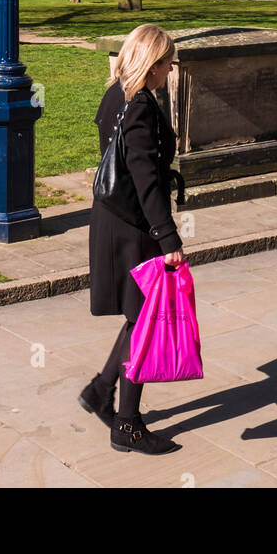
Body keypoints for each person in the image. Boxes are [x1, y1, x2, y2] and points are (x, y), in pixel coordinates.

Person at [80, 23, 184, 455]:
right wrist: (168, 238)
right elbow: (142, 178)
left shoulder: (114, 93)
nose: (170, 71)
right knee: (145, 323)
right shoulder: (139, 104)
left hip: (111, 217)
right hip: (133, 224)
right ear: (152, 62)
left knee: (139, 318)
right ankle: (127, 423)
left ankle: (102, 391)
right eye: (167, 63)